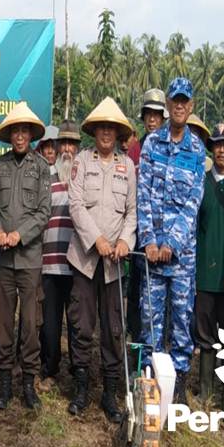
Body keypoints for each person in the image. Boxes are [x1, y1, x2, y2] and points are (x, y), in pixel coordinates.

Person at [66, 98, 136, 421]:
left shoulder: (128, 167)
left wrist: (124, 240)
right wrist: (97, 239)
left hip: (114, 264)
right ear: (94, 131)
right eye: (101, 128)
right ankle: (80, 389)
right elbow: (76, 205)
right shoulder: (82, 161)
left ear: (118, 133)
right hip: (85, 257)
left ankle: (110, 394)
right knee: (81, 324)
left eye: (112, 128)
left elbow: (133, 212)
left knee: (113, 328)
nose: (106, 133)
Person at [136, 77, 206, 403]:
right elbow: (143, 196)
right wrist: (150, 241)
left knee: (181, 324)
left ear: (190, 107)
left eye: (184, 102)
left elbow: (193, 204)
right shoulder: (151, 145)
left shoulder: (197, 151)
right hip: (152, 253)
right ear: (168, 105)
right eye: (174, 101)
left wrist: (172, 245)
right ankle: (146, 384)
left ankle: (176, 389)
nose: (179, 106)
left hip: (181, 258)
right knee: (149, 322)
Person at [0, 102, 52, 410]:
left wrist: (20, 235)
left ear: (31, 135)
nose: (19, 136)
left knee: (29, 324)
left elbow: (44, 212)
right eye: (15, 131)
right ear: (9, 134)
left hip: (29, 259)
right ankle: (4, 384)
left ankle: (28, 382)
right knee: (2, 322)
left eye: (24, 131)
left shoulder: (41, 167)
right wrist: (0, 231)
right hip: (4, 259)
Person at [193, 123, 224, 400]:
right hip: (203, 269)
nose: (221, 150)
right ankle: (205, 390)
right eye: (217, 144)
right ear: (211, 148)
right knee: (204, 330)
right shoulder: (201, 181)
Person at [39, 120, 80, 385]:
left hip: (78, 262)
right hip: (50, 262)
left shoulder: (85, 176)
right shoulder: (46, 176)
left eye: (71, 144)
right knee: (50, 322)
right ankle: (50, 368)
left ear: (78, 147)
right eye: (62, 143)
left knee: (77, 323)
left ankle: (79, 372)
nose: (66, 149)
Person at [127, 88, 167, 341]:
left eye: (156, 115)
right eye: (147, 115)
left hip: (164, 237)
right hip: (138, 234)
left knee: (162, 298)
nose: (151, 120)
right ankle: (136, 345)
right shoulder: (135, 150)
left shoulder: (171, 148)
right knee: (137, 290)